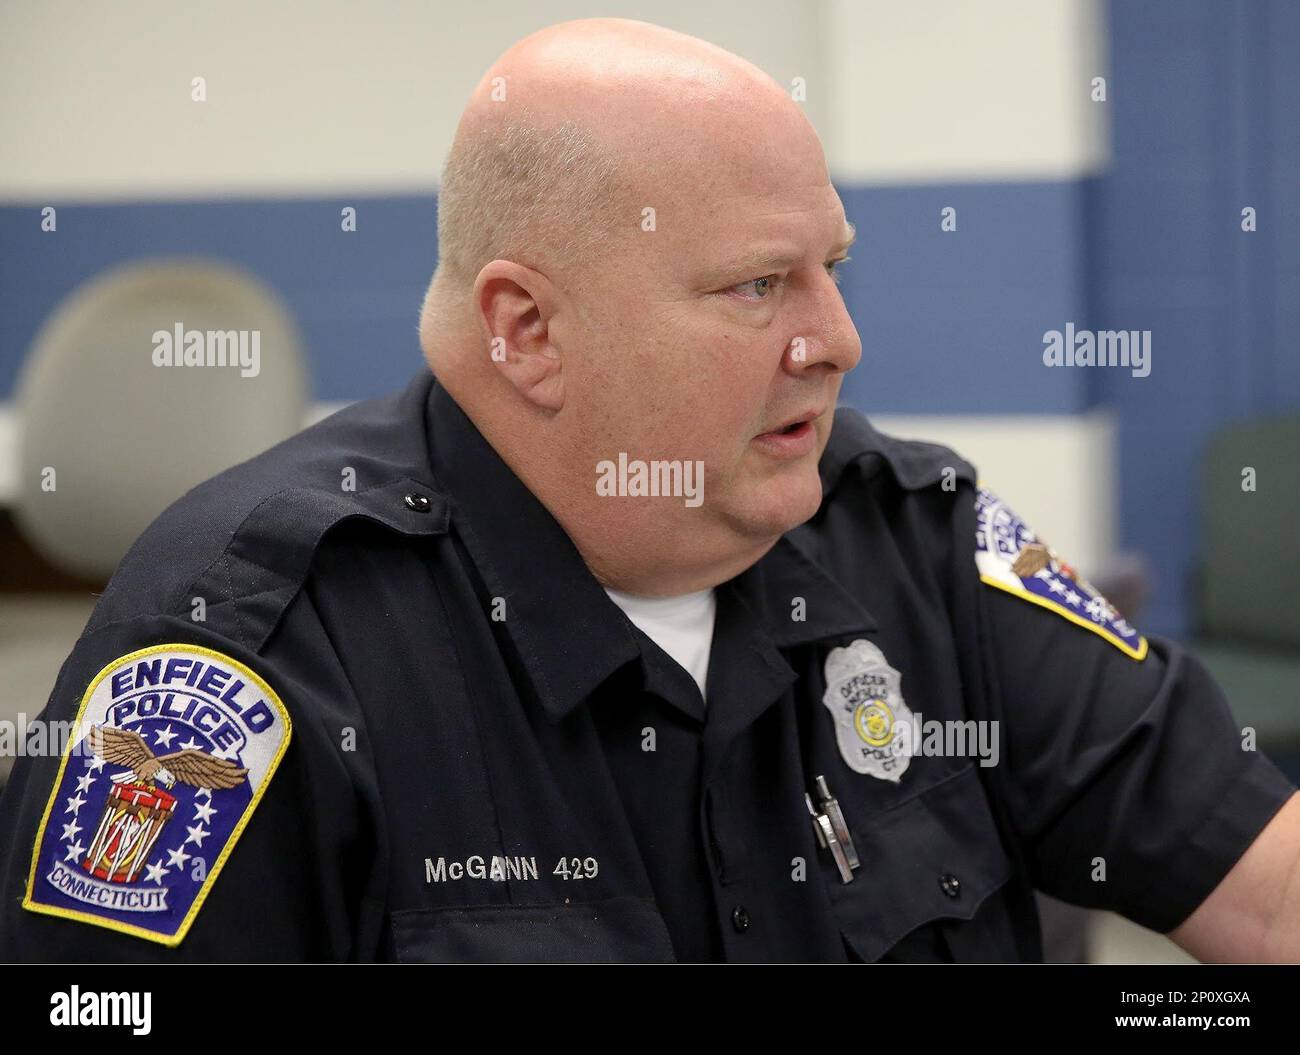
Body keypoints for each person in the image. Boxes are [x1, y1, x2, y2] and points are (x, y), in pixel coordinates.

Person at [1, 17, 1296, 963]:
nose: (838, 338)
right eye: (757, 286)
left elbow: (1270, 891)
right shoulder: (254, 644)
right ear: (530, 332)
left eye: (834, 267)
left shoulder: (916, 538)